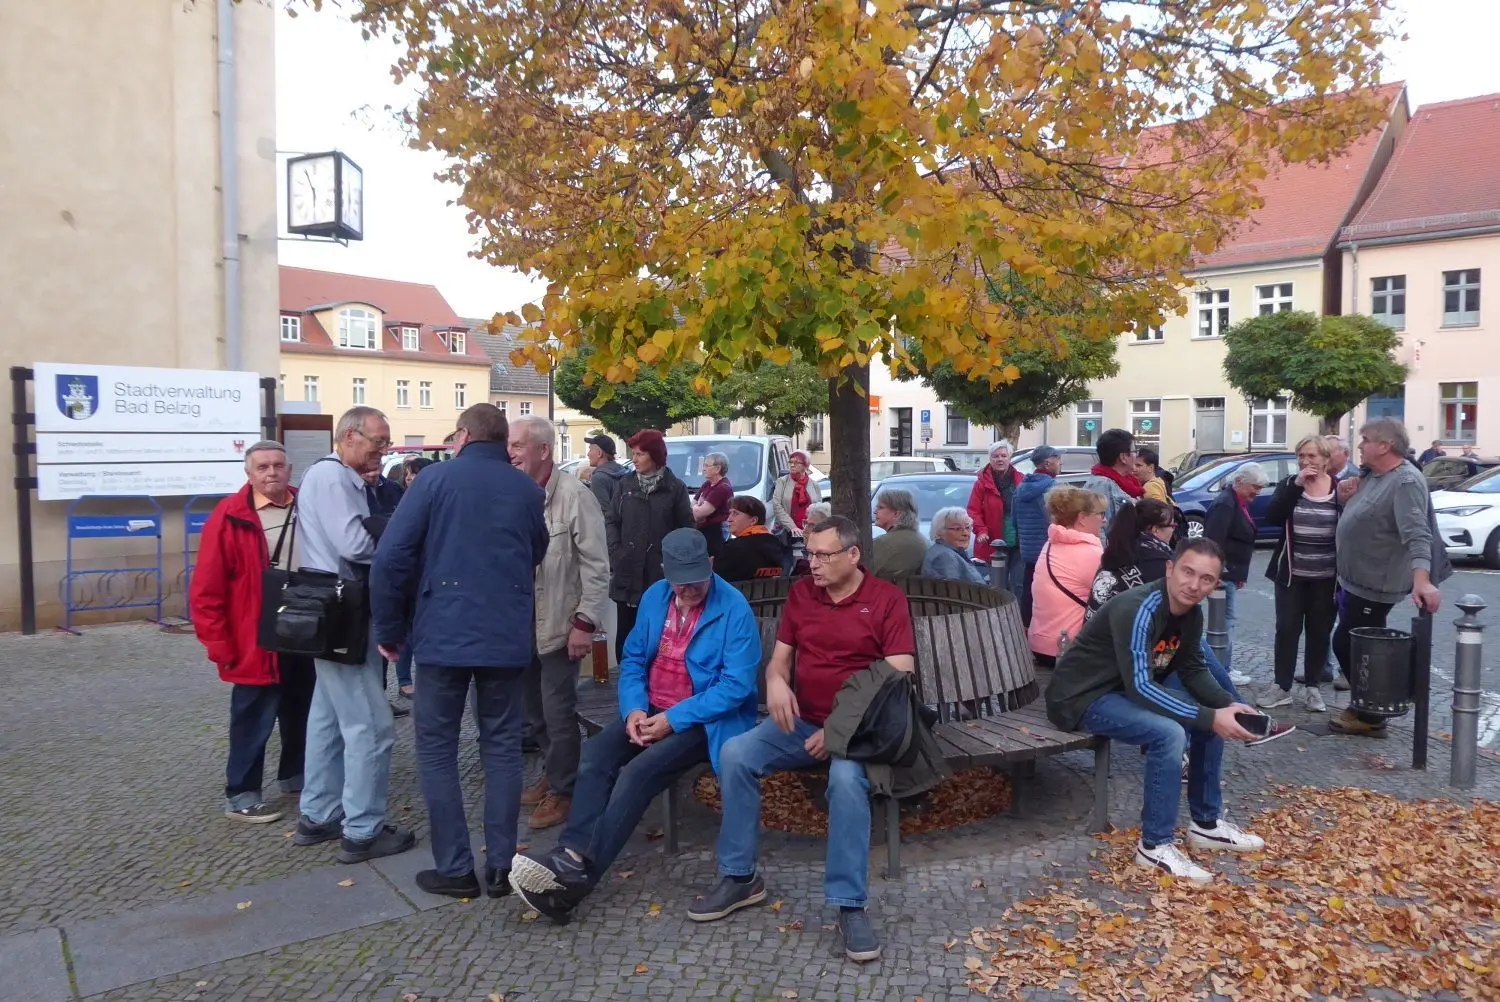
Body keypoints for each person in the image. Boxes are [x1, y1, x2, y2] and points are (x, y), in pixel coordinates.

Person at [687, 516, 915, 963]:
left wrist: (838, 730)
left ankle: (850, 905)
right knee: (736, 754)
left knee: (847, 784)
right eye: (810, 553)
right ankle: (739, 878)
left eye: (824, 555)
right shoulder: (802, 594)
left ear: (853, 556)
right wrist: (775, 682)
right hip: (802, 722)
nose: (813, 564)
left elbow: (899, 671)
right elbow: (780, 661)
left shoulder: (885, 600)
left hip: (859, 733)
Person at [507, 529, 761, 922]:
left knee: (638, 774)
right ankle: (570, 856)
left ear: (711, 565)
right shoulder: (656, 596)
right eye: (681, 582)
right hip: (652, 709)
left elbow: (736, 687)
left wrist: (672, 720)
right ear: (665, 572)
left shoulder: (734, 608)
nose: (689, 589)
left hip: (704, 721)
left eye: (697, 580)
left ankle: (573, 887)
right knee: (594, 758)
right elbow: (635, 662)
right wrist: (634, 712)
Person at [370, 403, 549, 898]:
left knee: (436, 748)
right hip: (505, 635)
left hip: (442, 633)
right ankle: (501, 867)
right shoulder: (527, 490)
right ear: (500, 440)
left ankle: (455, 868)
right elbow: (538, 548)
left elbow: (390, 557)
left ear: (463, 435)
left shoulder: (433, 482)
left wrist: (389, 627)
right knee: (502, 748)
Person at [1045, 539, 1265, 883]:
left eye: (1206, 579)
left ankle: (1206, 825)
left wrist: (1225, 704)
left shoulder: (1190, 613)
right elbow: (1141, 687)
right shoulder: (1140, 608)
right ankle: (1155, 846)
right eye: (1187, 572)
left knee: (1208, 715)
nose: (1194, 585)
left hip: (1119, 691)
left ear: (1215, 584)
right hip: (1080, 697)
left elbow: (1192, 668)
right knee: (1169, 733)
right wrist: (1210, 715)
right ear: (1169, 569)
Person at [291, 406, 415, 864]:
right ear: (348, 436)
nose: (383, 451)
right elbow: (355, 545)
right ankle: (361, 830)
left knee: (327, 717)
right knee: (371, 724)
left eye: (386, 442)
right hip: (345, 609)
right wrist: (398, 539)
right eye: (377, 441)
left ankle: (318, 814)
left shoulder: (335, 476)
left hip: (332, 609)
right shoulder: (334, 478)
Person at [190, 440, 316, 824]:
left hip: (305, 629)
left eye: (278, 465)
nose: (272, 472)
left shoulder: (306, 505)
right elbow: (206, 589)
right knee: (252, 719)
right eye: (262, 467)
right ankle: (242, 794)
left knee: (303, 712)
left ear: (290, 469)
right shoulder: (229, 516)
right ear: (249, 473)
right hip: (254, 639)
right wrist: (219, 645)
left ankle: (296, 778)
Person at [509, 416, 612, 831]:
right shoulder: (515, 493)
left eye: (517, 445)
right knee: (534, 712)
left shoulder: (575, 497)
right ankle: (554, 774)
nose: (510, 452)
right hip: (522, 625)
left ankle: (565, 791)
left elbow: (597, 566)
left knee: (557, 711)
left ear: (543, 450)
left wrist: (585, 623)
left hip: (559, 625)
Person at [1329, 418, 1446, 737]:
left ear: (1385, 446)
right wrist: (1343, 496)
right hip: (1355, 580)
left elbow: (1417, 534)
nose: (1360, 445)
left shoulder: (1405, 481)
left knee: (1351, 643)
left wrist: (1422, 580)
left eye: (1365, 439)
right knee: (1355, 643)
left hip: (1376, 583)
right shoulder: (1374, 475)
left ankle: (1373, 711)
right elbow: (1360, 510)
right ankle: (1367, 705)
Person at [1257, 435, 1339, 714]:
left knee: (1319, 632)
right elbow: (1274, 517)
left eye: (1312, 456)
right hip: (1291, 574)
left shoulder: (1340, 489)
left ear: (1326, 459)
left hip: (1327, 577)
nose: (1305, 461)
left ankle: (1313, 687)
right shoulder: (1290, 485)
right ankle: (1281, 687)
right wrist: (1296, 486)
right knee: (1287, 629)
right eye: (1301, 455)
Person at [605, 429, 695, 660]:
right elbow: (612, 520)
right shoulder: (624, 484)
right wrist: (616, 552)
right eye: (633, 453)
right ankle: (625, 684)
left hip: (660, 574)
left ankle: (657, 682)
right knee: (626, 633)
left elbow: (686, 529)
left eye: (640, 454)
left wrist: (673, 562)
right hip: (627, 570)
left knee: (658, 632)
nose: (634, 459)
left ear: (654, 456)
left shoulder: (675, 488)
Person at [1027, 486, 1106, 664]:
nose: (1104, 520)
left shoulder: (1051, 544)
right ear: (1082, 518)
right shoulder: (1090, 552)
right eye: (1101, 514)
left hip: (1040, 643)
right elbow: (1112, 594)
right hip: (1067, 649)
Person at [1203, 462, 1265, 670]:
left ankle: (1223, 666)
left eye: (1260, 487)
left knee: (1225, 622)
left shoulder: (1235, 501)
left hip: (1229, 573)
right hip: (1223, 575)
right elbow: (1214, 541)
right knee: (1223, 623)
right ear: (1239, 482)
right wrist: (1216, 573)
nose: (1258, 492)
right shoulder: (1226, 504)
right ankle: (1222, 668)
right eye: (1255, 487)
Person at [1086, 499, 1176, 619]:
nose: (1174, 530)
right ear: (1155, 529)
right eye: (1173, 525)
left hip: (1094, 632)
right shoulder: (1161, 562)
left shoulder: (1115, 551)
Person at [966, 440, 1025, 593]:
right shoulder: (981, 484)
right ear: (990, 459)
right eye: (995, 456)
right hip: (994, 543)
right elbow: (973, 511)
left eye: (1003, 456)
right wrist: (981, 531)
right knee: (997, 585)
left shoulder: (1021, 479)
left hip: (1020, 542)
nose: (1000, 459)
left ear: (1010, 458)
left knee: (1019, 585)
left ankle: (1018, 615)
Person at [1013, 446, 1061, 625]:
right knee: (1047, 595)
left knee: (1028, 591)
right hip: (1047, 550)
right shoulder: (1051, 488)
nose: (1060, 463)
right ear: (1047, 463)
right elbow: (1055, 520)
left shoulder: (1021, 487)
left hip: (1028, 551)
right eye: (1057, 459)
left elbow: (1014, 521)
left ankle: (1025, 627)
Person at [1080, 428, 1143, 527]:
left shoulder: (1127, 482)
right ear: (1123, 457)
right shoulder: (1100, 485)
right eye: (1134, 451)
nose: (1137, 455)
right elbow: (1098, 529)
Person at [715, 495, 785, 582]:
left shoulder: (733, 548)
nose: (729, 519)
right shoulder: (776, 544)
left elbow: (715, 582)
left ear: (753, 521)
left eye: (735, 514)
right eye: (730, 513)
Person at [921, 507, 989, 585]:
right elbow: (951, 593)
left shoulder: (952, 551)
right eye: (957, 529)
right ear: (940, 532)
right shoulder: (944, 557)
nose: (965, 533)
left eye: (967, 527)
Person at [870, 487, 926, 580]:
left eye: (880, 507)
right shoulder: (922, 539)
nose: (875, 512)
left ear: (896, 514)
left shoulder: (883, 543)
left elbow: (861, 575)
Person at [691, 452, 734, 560]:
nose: (703, 469)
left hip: (716, 533)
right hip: (705, 531)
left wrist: (697, 508)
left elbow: (698, 514)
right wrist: (698, 507)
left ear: (717, 468)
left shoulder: (722, 488)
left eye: (706, 465)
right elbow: (692, 505)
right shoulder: (707, 484)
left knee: (714, 564)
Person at [771, 450, 820, 540]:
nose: (792, 465)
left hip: (810, 532)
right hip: (788, 532)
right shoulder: (782, 482)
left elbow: (818, 509)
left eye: (796, 462)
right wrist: (792, 526)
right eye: (791, 462)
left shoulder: (814, 484)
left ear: (806, 465)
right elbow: (777, 506)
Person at [586, 433, 629, 510]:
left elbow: (601, 514)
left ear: (599, 453)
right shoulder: (624, 471)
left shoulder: (598, 478)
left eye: (590, 450)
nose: (588, 454)